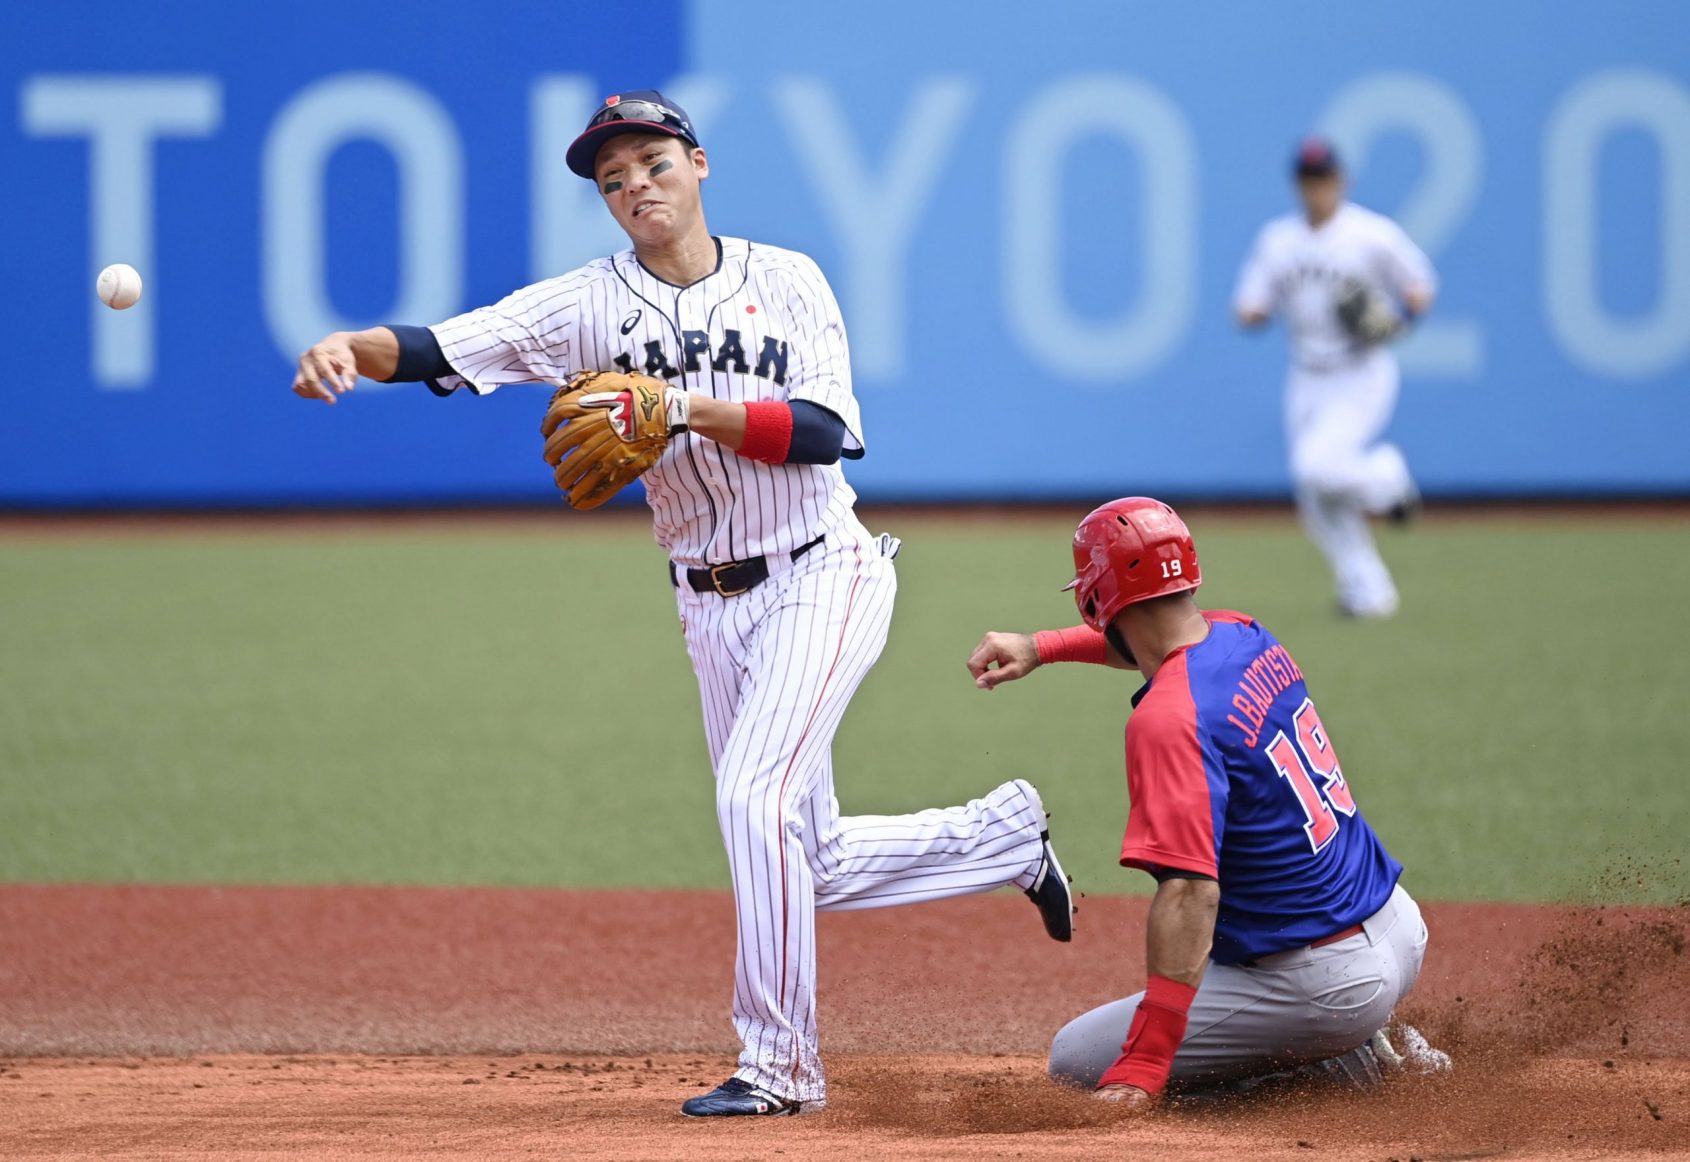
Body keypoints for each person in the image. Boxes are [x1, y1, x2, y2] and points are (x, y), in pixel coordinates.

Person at [289, 89, 1074, 1118]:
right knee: (808, 852)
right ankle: (1004, 835)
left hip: (822, 570)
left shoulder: (786, 280)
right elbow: (440, 347)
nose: (633, 186)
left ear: (697, 165)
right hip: (707, 604)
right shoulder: (583, 306)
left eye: (651, 163)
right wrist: (349, 346)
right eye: (613, 179)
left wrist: (680, 407)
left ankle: (781, 1067)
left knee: (752, 801)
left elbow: (824, 431)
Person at [965, 497, 1446, 1112]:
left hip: (1327, 984)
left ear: (1093, 598)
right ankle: (1372, 1037)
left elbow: (1192, 892)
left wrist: (1143, 1065)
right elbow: (1149, 643)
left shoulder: (1169, 720)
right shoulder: (1242, 633)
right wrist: (1043, 646)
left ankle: (1342, 1062)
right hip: (1399, 926)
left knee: (1078, 1058)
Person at [1234, 137, 1438, 619]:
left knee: (1316, 469)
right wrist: (1259, 312)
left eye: (1324, 178)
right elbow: (1247, 307)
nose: (1316, 187)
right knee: (1315, 499)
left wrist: (1398, 320)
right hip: (1306, 374)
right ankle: (1368, 591)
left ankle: (1387, 480)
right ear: (1297, 184)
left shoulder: (1370, 234)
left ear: (1341, 180)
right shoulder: (1280, 240)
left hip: (1360, 369)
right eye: (1308, 179)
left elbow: (1420, 285)